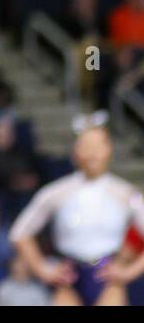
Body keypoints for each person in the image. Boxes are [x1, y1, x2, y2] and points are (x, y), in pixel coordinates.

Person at [9, 124, 144, 305]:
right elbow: (20, 233)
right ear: (76, 152)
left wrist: (130, 272)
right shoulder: (56, 192)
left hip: (108, 278)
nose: (92, 153)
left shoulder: (126, 193)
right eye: (86, 146)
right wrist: (43, 269)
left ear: (109, 150)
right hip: (69, 279)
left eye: (98, 146)